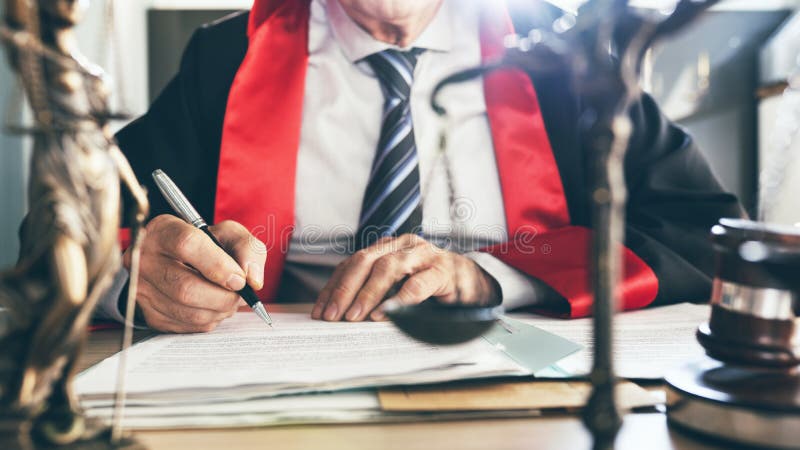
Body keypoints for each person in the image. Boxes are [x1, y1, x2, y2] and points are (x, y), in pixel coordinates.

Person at [96, 0, 742, 333]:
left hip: (518, 404)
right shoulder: (227, 58)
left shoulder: (567, 54)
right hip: (288, 393)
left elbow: (704, 232)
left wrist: (490, 276)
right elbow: (77, 213)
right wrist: (139, 274)